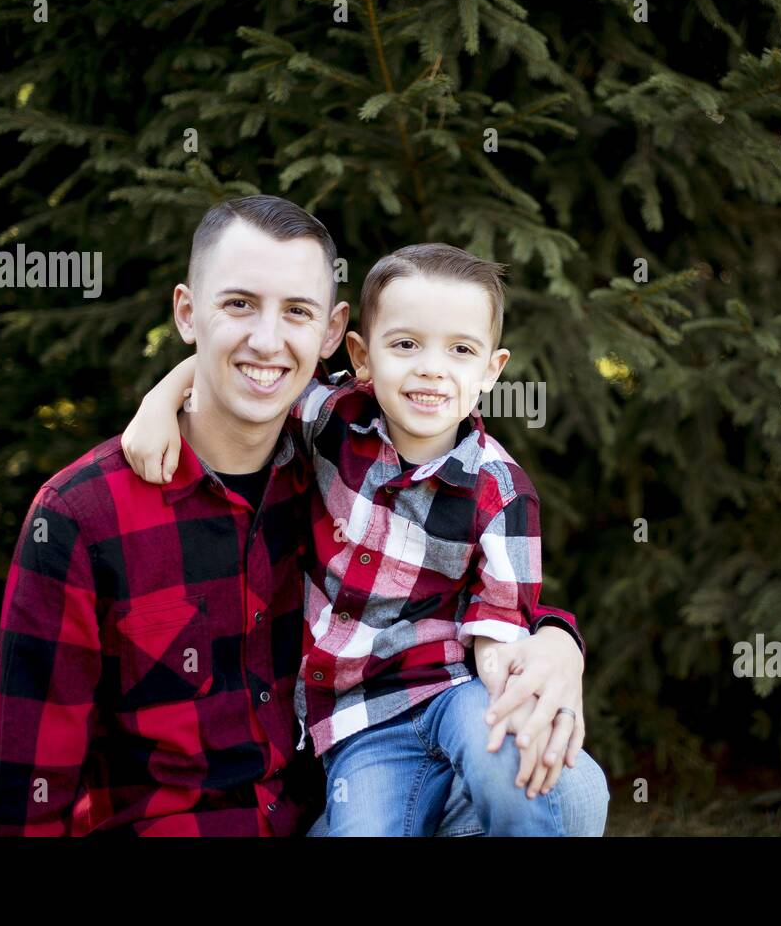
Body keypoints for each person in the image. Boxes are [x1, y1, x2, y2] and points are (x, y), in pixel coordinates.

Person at [0, 195, 605, 835]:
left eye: (296, 312)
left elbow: (464, 582)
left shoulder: (336, 464)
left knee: (567, 787)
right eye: (239, 304)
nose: (267, 339)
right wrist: (165, 392)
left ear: (330, 333)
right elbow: (23, 783)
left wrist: (557, 640)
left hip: (322, 809)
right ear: (187, 314)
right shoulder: (84, 515)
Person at [123, 242, 608, 835]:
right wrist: (160, 399)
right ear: (361, 355)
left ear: (491, 370)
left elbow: (497, 638)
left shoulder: (503, 492)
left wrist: (539, 674)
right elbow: (243, 376)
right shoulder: (332, 421)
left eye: (460, 350)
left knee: (518, 764)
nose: (432, 368)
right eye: (405, 344)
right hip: (361, 720)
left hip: (455, 689)